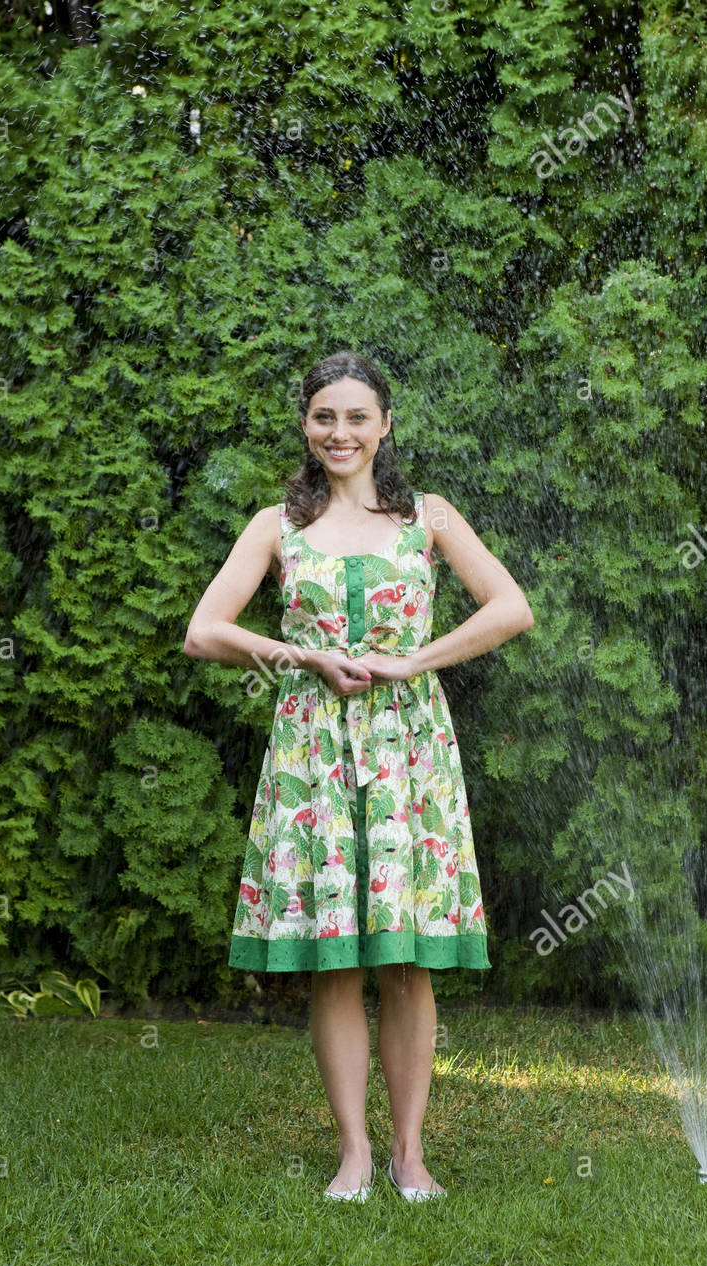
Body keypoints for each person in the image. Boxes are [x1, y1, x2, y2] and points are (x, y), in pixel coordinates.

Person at [184, 350, 533, 1202]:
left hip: (408, 749)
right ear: (306, 426)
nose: (339, 433)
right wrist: (296, 652)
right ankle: (355, 1154)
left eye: (355, 418)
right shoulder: (276, 525)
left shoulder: (429, 517)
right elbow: (204, 631)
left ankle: (411, 1153)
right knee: (335, 957)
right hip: (312, 750)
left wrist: (415, 661)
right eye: (323, 417)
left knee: (407, 961)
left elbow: (509, 608)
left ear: (385, 426)